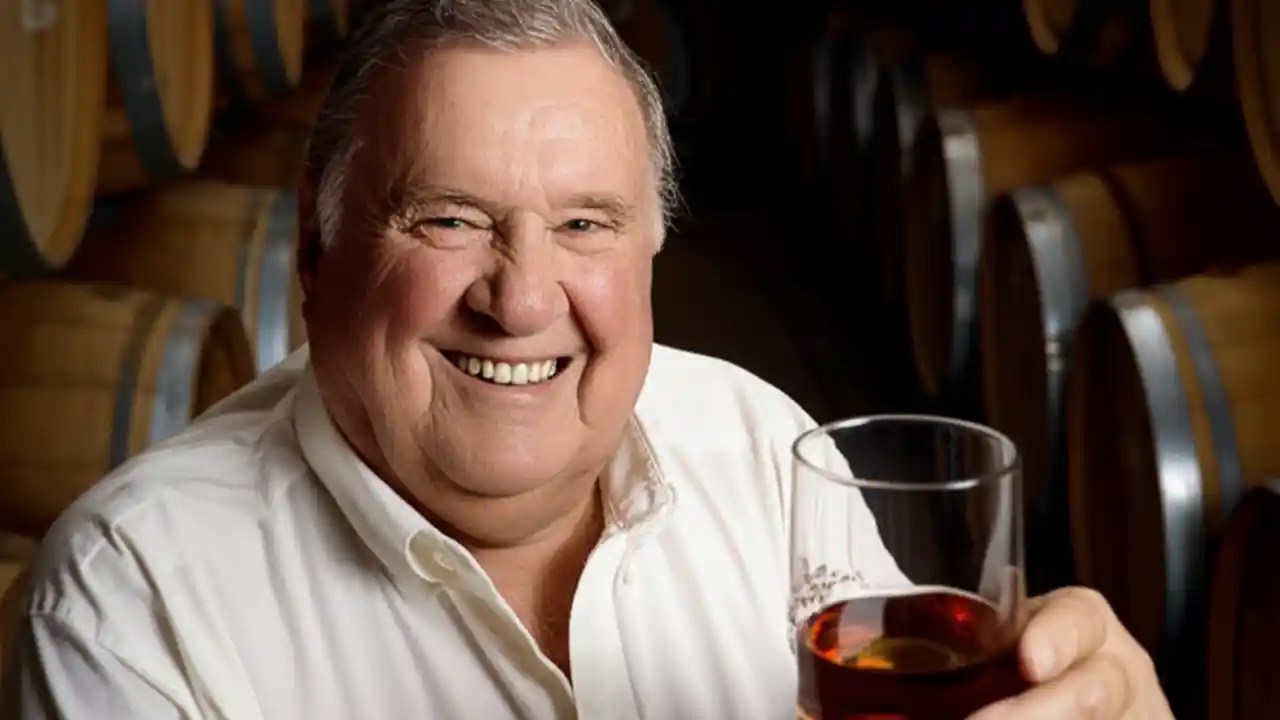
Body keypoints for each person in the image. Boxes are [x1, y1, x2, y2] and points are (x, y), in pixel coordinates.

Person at [2, 1, 1172, 718]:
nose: (520, 299)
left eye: (584, 225)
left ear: (654, 250)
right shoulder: (131, 596)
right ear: (315, 247)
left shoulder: (757, 442)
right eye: (450, 218)